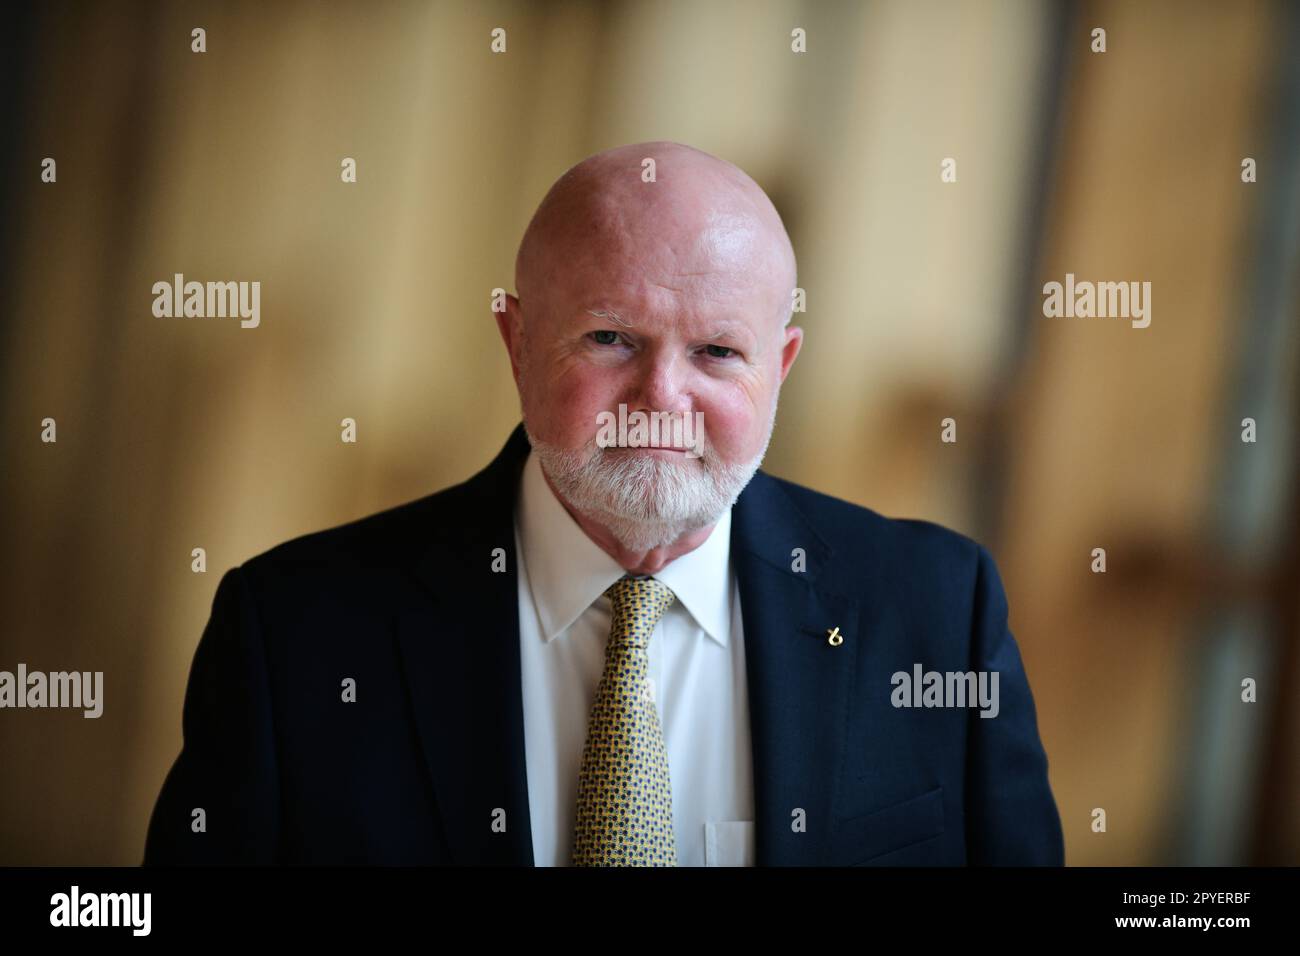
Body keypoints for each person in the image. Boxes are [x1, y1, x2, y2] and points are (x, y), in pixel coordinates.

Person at [144, 141, 1063, 866]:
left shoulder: (940, 611)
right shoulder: (294, 631)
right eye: (611, 338)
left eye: (718, 353)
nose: (661, 399)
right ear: (515, 341)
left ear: (780, 369)